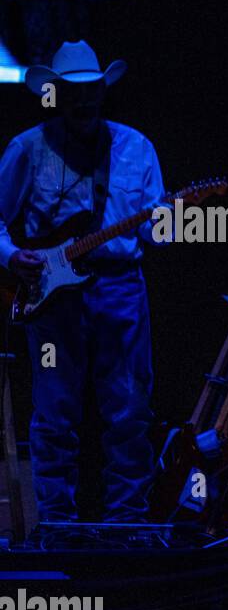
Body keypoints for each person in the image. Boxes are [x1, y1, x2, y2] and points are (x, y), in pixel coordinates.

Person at [0, 40, 165, 522]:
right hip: (54, 299)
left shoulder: (137, 148)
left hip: (121, 289)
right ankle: (55, 524)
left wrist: (173, 223)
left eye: (92, 90)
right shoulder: (27, 149)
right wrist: (13, 257)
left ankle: (129, 523)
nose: (85, 100)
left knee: (130, 411)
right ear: (54, 94)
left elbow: (161, 236)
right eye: (74, 91)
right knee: (54, 415)